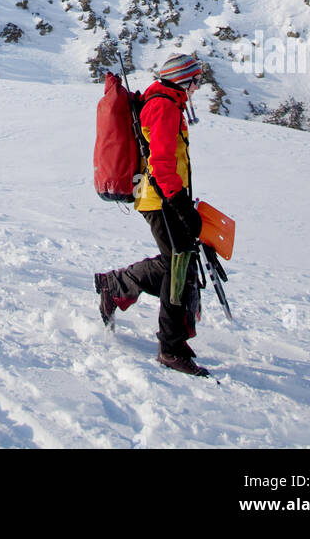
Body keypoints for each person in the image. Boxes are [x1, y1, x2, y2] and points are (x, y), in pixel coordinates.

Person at [94, 53, 209, 377]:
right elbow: (160, 162)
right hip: (160, 199)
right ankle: (170, 348)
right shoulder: (163, 106)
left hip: (165, 197)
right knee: (178, 267)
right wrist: (179, 203)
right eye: (196, 80)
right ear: (183, 79)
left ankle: (115, 286)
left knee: (178, 263)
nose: (197, 87)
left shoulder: (169, 102)